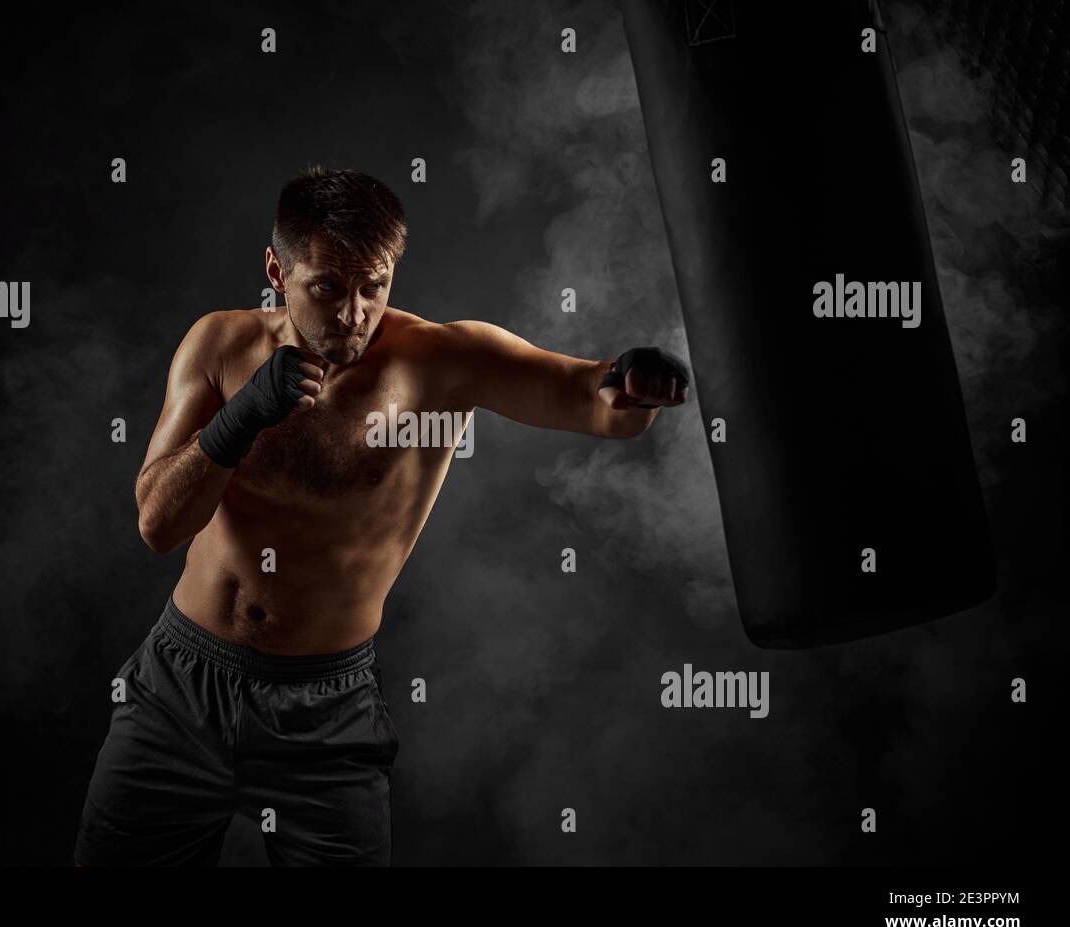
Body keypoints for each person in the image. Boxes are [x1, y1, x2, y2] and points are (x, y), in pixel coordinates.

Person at [73, 165, 690, 866]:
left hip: (325, 713)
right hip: (180, 690)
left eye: (374, 286)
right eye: (327, 288)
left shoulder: (439, 364)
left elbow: (587, 395)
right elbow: (157, 524)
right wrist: (240, 418)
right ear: (277, 271)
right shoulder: (220, 345)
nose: (352, 314)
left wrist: (631, 383)